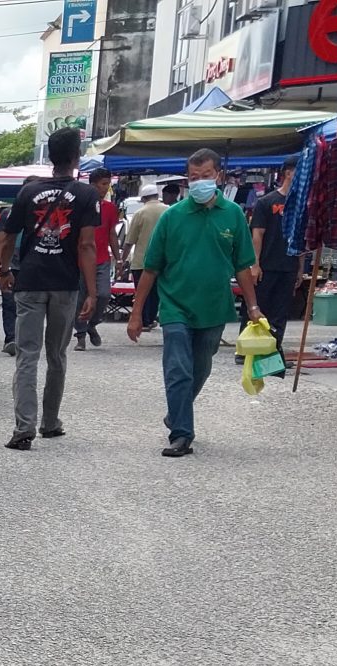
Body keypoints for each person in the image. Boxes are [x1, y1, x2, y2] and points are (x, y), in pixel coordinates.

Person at [127, 147, 262, 458]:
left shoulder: (233, 215)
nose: (199, 182)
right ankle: (181, 434)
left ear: (218, 176)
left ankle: (177, 412)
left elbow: (243, 265)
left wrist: (253, 307)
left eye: (205, 176)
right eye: (193, 177)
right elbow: (151, 268)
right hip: (175, 305)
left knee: (200, 367)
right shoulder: (172, 216)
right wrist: (136, 312)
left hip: (214, 306)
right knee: (178, 369)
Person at [0, 127, 99, 450]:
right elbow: (86, 245)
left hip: (29, 281)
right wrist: (92, 291)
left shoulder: (28, 192)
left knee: (27, 355)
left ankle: (23, 427)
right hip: (65, 284)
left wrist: (3, 271)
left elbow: (8, 237)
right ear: (76, 157)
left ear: (51, 157)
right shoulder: (87, 195)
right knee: (56, 355)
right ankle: (50, 422)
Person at [250, 157, 301, 346]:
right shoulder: (266, 202)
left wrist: (300, 267)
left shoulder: (301, 204)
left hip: (289, 266)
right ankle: (248, 348)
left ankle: (274, 347)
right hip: (266, 266)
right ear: (288, 173)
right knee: (257, 308)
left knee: (281, 312)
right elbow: (257, 234)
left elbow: (301, 237)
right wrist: (255, 264)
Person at [76, 168, 118, 350]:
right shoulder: (79, 206)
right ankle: (80, 335)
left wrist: (119, 258)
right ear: (93, 185)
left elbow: (112, 234)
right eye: (103, 184)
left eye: (108, 184)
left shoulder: (110, 208)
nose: (106, 188)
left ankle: (92, 323)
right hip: (80, 259)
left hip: (101, 259)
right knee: (80, 298)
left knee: (103, 294)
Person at [123, 184, 166, 335]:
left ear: (144, 198)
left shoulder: (140, 213)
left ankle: (144, 319)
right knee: (156, 293)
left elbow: (130, 240)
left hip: (141, 260)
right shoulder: (169, 211)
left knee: (142, 292)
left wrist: (122, 260)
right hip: (163, 262)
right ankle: (151, 318)